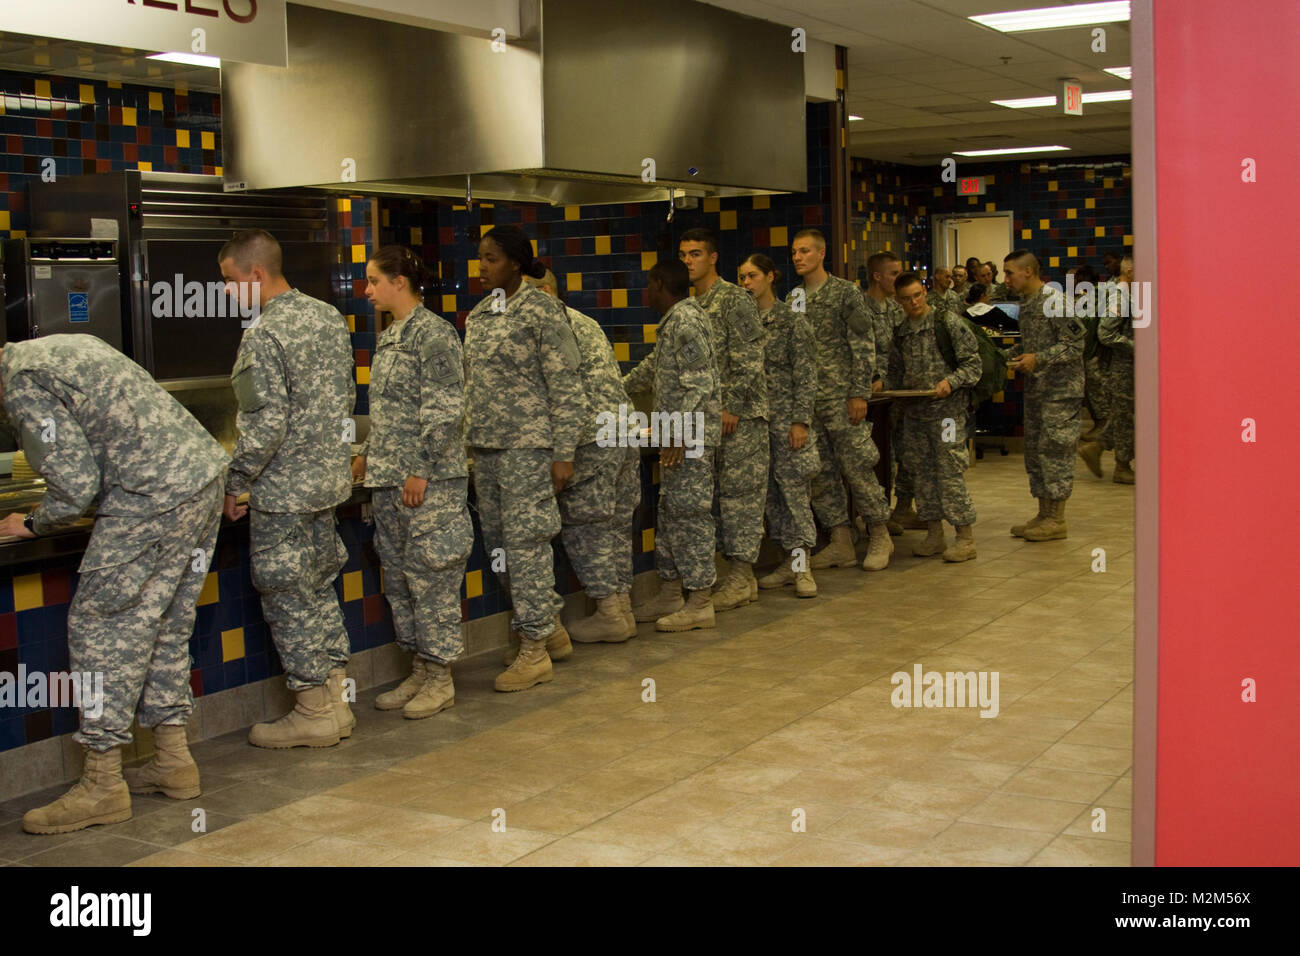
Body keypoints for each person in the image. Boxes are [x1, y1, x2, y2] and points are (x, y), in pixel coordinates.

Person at [1, 335, 227, 834]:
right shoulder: (61, 346)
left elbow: (74, 483)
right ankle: (173, 759)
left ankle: (103, 784)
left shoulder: (20, 382)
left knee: (99, 628)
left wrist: (35, 523)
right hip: (201, 480)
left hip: (150, 495)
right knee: (163, 623)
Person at [221, 229, 357, 748]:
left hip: (282, 493)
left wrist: (236, 481)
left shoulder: (264, 334)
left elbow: (264, 424)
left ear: (255, 275)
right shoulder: (326, 316)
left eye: (231, 283)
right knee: (320, 590)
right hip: (326, 484)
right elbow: (344, 396)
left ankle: (311, 710)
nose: (229, 293)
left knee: (287, 595)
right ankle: (337, 703)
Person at [463, 224, 589, 690]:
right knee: (499, 551)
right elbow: (470, 386)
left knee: (528, 547)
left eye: (492, 258)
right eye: (480, 257)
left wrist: (563, 452)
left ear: (516, 263)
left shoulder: (542, 311)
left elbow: (566, 386)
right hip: (488, 451)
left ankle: (534, 648)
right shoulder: (478, 315)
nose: (482, 267)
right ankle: (549, 629)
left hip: (529, 450)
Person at [352, 246, 472, 719]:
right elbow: (386, 411)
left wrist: (421, 468)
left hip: (428, 484)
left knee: (432, 578)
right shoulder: (390, 337)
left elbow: (444, 410)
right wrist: (365, 455)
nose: (367, 290)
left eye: (374, 280)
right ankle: (420, 667)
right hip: (388, 481)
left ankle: (441, 676)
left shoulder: (434, 335)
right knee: (400, 580)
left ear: (399, 281)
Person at [523, 269, 640, 643]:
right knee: (614, 526)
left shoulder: (550, 327)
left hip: (591, 437)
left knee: (586, 527)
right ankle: (622, 608)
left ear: (544, 291)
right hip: (623, 429)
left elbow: (555, 394)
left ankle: (608, 612)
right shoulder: (584, 321)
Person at [623, 259, 722, 630]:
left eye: (649, 283)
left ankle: (700, 601)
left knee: (691, 517)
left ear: (661, 283)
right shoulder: (674, 323)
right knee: (672, 515)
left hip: (689, 438)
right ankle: (670, 592)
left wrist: (679, 432)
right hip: (678, 436)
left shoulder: (685, 321)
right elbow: (653, 369)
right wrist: (614, 387)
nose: (646, 291)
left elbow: (700, 383)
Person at [788, 229, 893, 572]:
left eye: (804, 251)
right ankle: (841, 540)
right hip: (809, 402)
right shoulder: (795, 298)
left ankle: (879, 533)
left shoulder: (845, 293)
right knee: (821, 473)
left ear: (821, 254)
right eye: (794, 253)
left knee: (858, 466)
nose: (798, 257)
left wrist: (859, 393)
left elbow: (863, 344)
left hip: (841, 397)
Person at [678, 227, 768, 613]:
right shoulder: (692, 305)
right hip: (709, 421)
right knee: (718, 502)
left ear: (713, 258)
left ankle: (741, 575)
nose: (689, 261)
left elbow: (751, 356)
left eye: (695, 254)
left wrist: (732, 405)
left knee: (741, 498)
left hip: (741, 417)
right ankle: (737, 578)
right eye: (683, 255)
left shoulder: (734, 299)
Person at [738, 253, 819, 597]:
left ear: (771, 277)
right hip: (756, 426)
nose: (746, 283)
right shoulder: (741, 323)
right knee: (771, 498)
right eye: (741, 277)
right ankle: (789, 562)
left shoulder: (790, 321)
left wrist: (800, 420)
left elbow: (806, 373)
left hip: (787, 423)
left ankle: (803, 569)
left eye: (752, 276)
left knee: (794, 496)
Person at [888, 274, 981, 562]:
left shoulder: (947, 322)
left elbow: (973, 365)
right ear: (898, 300)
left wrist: (950, 382)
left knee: (949, 471)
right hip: (916, 414)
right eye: (906, 298)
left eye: (917, 295)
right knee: (923, 473)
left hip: (947, 413)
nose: (913, 302)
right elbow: (897, 371)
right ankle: (934, 533)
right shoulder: (901, 331)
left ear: (925, 292)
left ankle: (964, 537)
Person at [1003, 249, 1086, 540]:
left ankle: (1057, 519)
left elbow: (1075, 346)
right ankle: (1043, 514)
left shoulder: (1056, 302)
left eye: (1009, 272)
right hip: (1038, 390)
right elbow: (1031, 343)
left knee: (1056, 452)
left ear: (1028, 271)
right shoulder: (1028, 303)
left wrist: (1038, 359)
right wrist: (1009, 356)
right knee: (1037, 454)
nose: (1006, 279)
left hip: (1061, 393)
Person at [863, 251, 923, 536]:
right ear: (878, 276)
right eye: (894, 273)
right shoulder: (860, 308)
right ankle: (877, 513)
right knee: (877, 457)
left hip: (899, 392)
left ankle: (903, 508)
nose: (898, 278)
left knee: (904, 453)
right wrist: (875, 378)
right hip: (872, 396)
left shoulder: (896, 309)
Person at [1098, 255, 1135, 484]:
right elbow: (1106, 333)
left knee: (1125, 415)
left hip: (1128, 367)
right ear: (1130, 272)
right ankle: (1121, 466)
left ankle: (1096, 447)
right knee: (1124, 417)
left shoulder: (1129, 295)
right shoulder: (1121, 297)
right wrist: (1134, 346)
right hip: (1121, 368)